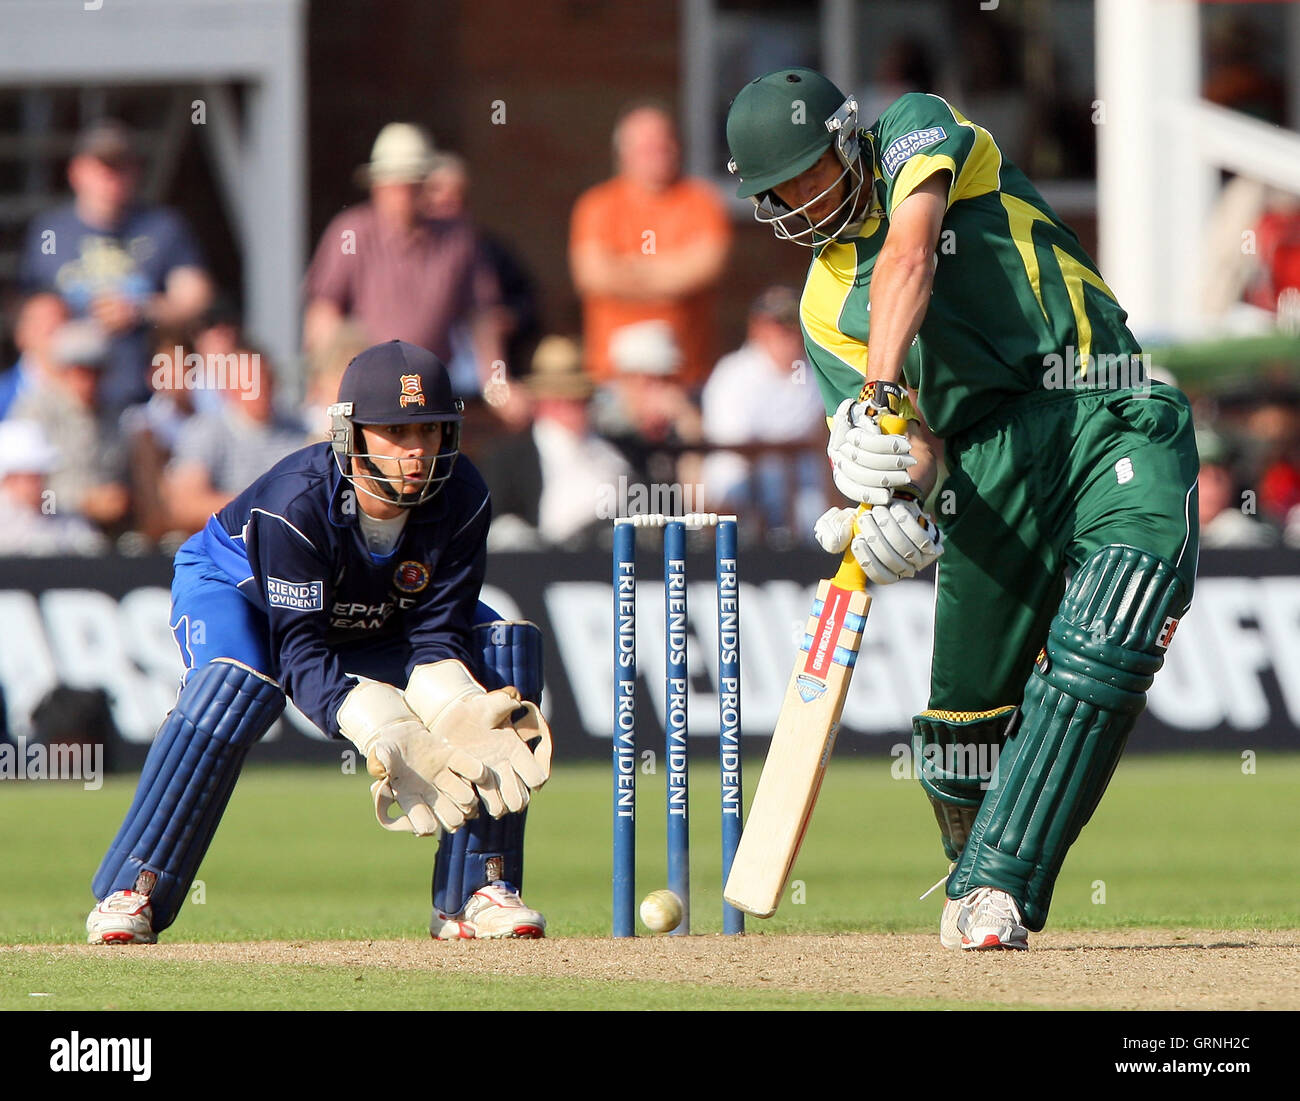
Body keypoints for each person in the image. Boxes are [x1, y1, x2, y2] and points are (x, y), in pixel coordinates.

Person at [725, 70, 1200, 950]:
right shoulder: (823, 306)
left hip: (1105, 405)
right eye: (777, 193)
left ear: (846, 138)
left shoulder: (917, 132)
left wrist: (876, 390)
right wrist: (894, 498)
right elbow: (916, 453)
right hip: (987, 470)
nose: (800, 199)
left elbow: (911, 254)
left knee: (1114, 626)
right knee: (960, 746)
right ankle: (972, 852)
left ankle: (997, 887)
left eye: (808, 172)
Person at [85, 341, 552, 946]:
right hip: (238, 589)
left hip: (375, 603)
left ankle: (480, 891)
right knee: (233, 686)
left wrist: (457, 705)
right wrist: (384, 729)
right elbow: (301, 653)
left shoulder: (464, 497)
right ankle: (134, 890)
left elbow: (439, 631)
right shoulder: (297, 505)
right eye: (394, 431)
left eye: (430, 430)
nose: (415, 451)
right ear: (352, 435)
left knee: (504, 653)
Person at [20, 119, 214, 415]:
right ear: (76, 172)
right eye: (102, 168)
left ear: (135, 172)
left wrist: (141, 310)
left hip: (146, 395)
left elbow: (196, 298)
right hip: (68, 398)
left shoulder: (163, 227)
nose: (111, 179)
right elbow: (26, 313)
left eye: (121, 168)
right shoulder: (50, 233)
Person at [303, 124, 504, 397]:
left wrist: (496, 383)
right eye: (395, 186)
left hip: (432, 385)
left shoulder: (458, 239)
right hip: (367, 388)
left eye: (411, 185)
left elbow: (481, 317)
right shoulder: (352, 231)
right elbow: (325, 312)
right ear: (377, 186)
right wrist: (327, 382)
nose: (403, 195)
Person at [569, 103, 732, 387]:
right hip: (612, 378)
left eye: (665, 142)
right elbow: (592, 276)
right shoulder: (596, 205)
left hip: (687, 374)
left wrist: (627, 269)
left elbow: (704, 269)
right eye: (648, 147)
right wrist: (669, 273)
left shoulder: (702, 202)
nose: (660, 152)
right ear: (623, 154)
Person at [475, 335, 633, 548]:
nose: (576, 407)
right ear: (543, 402)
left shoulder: (616, 450)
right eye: (565, 399)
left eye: (581, 399)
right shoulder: (507, 458)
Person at [699, 285, 828, 536]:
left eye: (793, 325)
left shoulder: (814, 371)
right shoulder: (733, 372)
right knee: (735, 489)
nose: (786, 334)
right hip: (743, 484)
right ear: (757, 328)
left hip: (803, 489)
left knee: (817, 513)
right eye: (778, 325)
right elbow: (734, 445)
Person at [0, 420, 107, 556]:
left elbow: (93, 551)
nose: (35, 484)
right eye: (27, 476)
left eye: (39, 476)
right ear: (6, 479)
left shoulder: (64, 519)